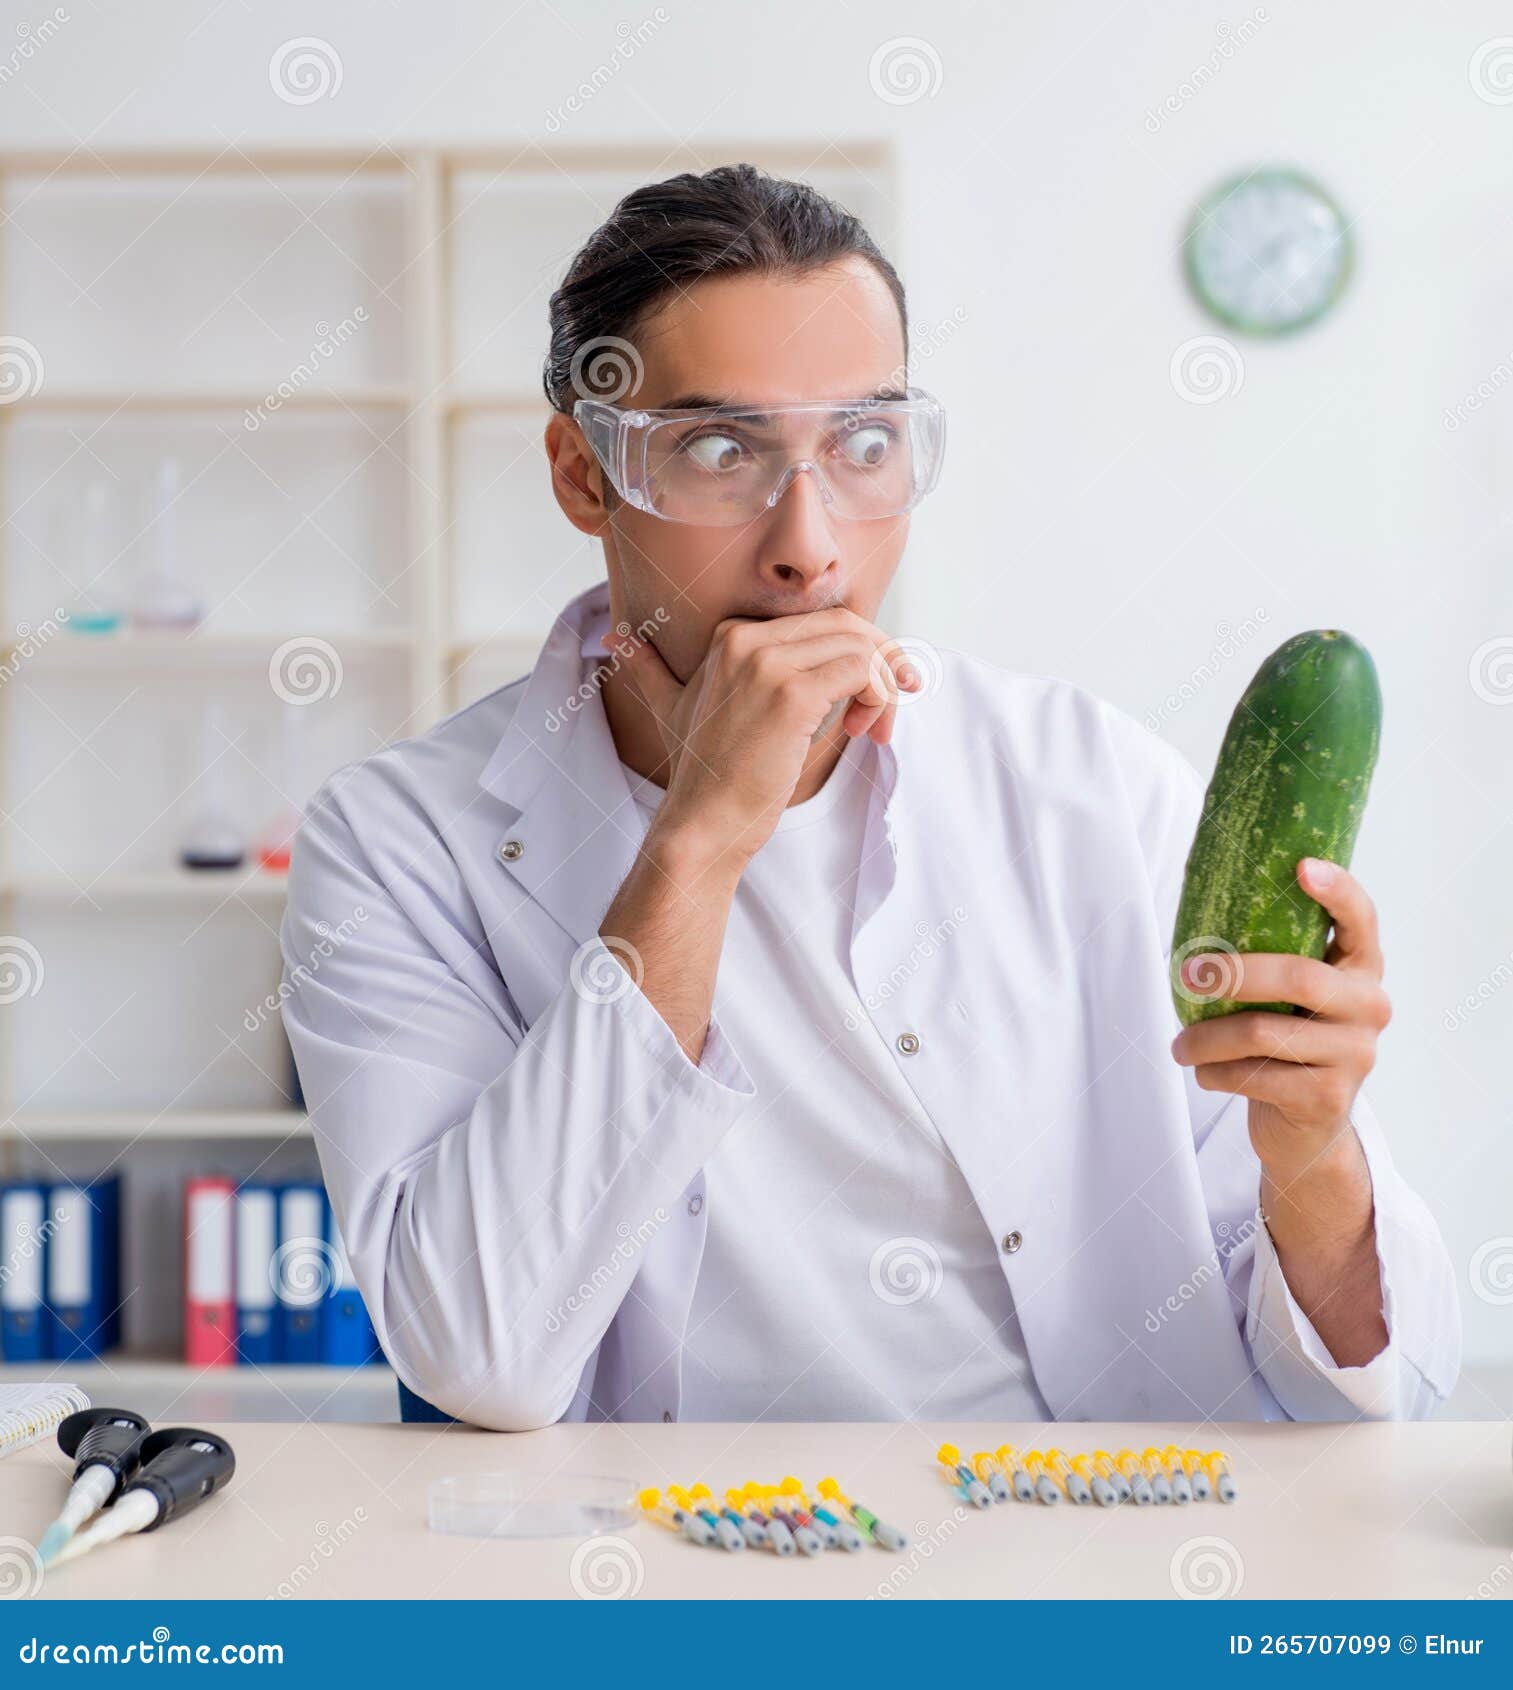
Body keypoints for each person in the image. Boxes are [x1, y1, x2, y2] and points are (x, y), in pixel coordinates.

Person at [280, 164, 1459, 1429]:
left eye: (863, 445)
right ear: (582, 475)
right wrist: (697, 840)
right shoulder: (398, 844)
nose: (812, 544)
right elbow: (478, 1355)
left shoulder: (1092, 784)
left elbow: (1373, 1391)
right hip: (693, 1579)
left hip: (1108, 1556)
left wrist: (1313, 1149)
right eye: (721, 449)